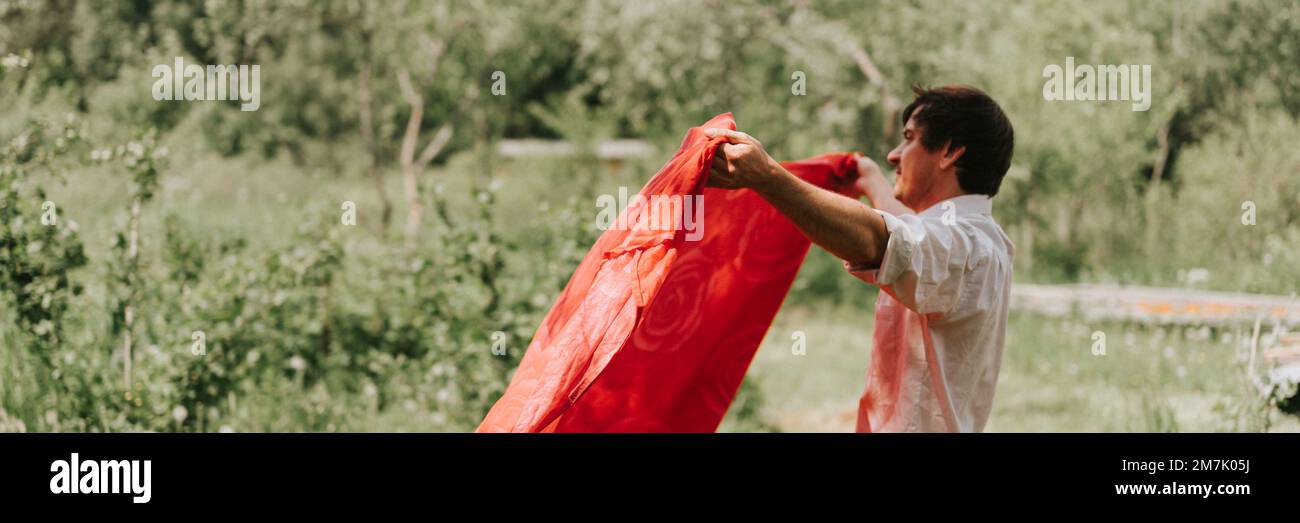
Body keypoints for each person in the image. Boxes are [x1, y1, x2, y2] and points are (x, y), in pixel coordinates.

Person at [704, 85, 1016, 432]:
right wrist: (871, 181)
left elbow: (882, 240)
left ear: (949, 152)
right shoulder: (970, 238)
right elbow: (909, 236)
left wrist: (768, 177)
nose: (894, 155)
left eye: (909, 138)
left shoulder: (966, 246)